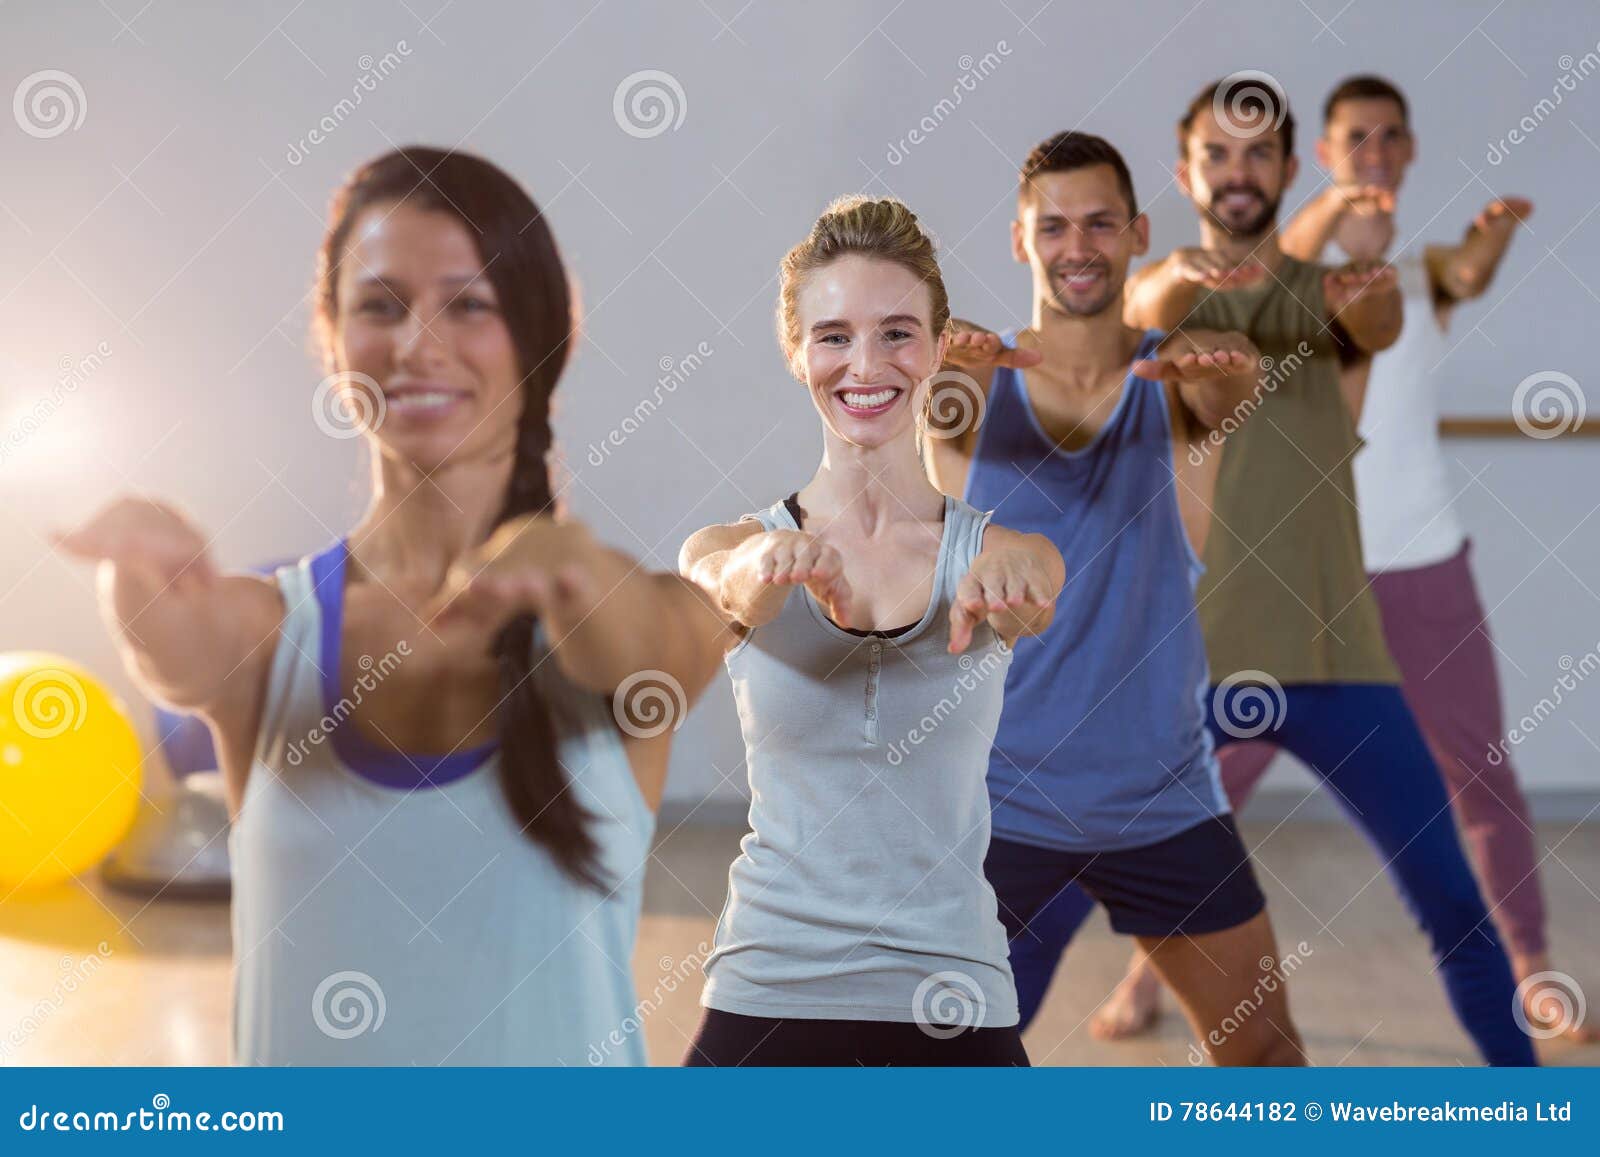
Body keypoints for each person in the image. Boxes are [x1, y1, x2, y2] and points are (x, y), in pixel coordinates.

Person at [53, 147, 728, 1066]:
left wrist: (570, 567)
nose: (418, 344)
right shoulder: (268, 633)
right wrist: (140, 571)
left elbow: (643, 648)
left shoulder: (627, 611)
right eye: (380, 304)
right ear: (330, 337)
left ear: (538, 342)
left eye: (468, 304)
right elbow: (175, 646)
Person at [1098, 79, 1536, 1066]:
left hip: (1340, 658)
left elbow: (1378, 316)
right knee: (1068, 887)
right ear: (1186, 173)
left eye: (1258, 154)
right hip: (1206, 662)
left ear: (1290, 172)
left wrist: (1337, 259)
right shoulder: (1163, 285)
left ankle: (1531, 1110)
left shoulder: (1346, 293)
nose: (1237, 170)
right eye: (1217, 152)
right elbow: (1152, 299)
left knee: (1452, 904)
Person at [1210, 73, 1590, 1043]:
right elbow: (1286, 255)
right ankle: (1164, 964)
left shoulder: (1423, 277)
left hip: (1421, 560)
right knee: (1215, 774)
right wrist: (1337, 210)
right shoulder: (1278, 277)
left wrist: (1497, 227)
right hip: (1301, 575)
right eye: (1353, 140)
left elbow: (1469, 267)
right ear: (1324, 158)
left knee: (1479, 766)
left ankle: (1531, 962)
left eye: (1388, 137)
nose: (1373, 152)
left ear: (1407, 149)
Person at [929, 131, 1306, 1065]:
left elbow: (1228, 396)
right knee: (940, 1074)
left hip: (1163, 799)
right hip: (1001, 807)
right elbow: (905, 429)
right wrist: (925, 365)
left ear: (1137, 232)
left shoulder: (1179, 384)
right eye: (1052, 225)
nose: (1078, 244)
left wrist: (1235, 366)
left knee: (1264, 1052)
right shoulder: (971, 386)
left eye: (1100, 222)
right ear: (1021, 240)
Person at [678, 195, 1064, 1066]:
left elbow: (1037, 580)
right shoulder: (737, 544)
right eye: (834, 335)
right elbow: (712, 580)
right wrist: (757, 574)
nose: (865, 363)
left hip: (953, 987)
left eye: (897, 332)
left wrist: (1017, 584)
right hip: (768, 982)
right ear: (796, 351)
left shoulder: (991, 549)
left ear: (933, 347)